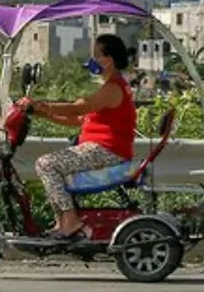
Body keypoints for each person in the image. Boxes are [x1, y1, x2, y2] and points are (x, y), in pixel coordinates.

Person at [23, 33, 136, 241]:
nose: (91, 59)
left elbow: (78, 108)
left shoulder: (112, 89)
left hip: (107, 150)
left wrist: (44, 105)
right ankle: (62, 223)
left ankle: (70, 219)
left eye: (95, 55)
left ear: (108, 60)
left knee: (46, 164)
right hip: (100, 148)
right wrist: (42, 113)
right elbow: (81, 121)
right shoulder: (109, 87)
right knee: (50, 165)